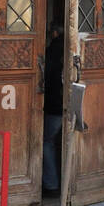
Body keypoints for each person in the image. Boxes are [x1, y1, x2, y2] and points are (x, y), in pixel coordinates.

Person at [41, 26, 65, 196]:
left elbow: (45, 77)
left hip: (54, 106)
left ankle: (51, 184)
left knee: (46, 142)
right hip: (67, 104)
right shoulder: (71, 50)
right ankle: (70, 186)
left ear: (55, 33)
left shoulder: (51, 52)